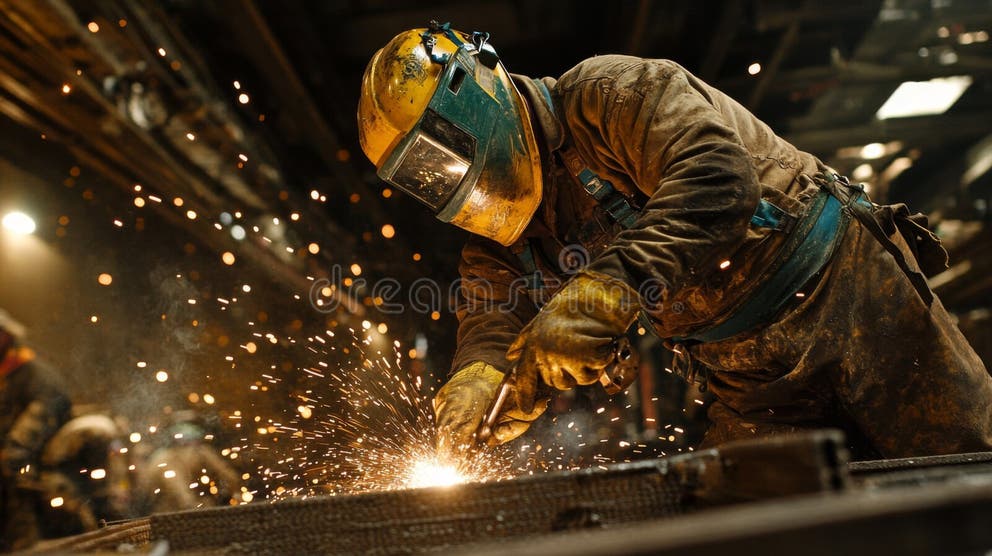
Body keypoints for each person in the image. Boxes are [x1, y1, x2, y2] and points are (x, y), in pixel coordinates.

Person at [357, 22, 992, 461]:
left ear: (475, 95)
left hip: (847, 292)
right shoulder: (498, 241)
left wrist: (604, 292)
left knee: (960, 473)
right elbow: (493, 315)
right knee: (768, 523)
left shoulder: (608, 95)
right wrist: (478, 376)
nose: (441, 179)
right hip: (746, 373)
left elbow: (717, 178)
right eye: (420, 176)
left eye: (437, 156)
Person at [0, 317, 72, 550]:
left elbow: (32, 427)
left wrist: (10, 454)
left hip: (38, 474)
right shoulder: (6, 376)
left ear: (4, 337)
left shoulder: (33, 374)